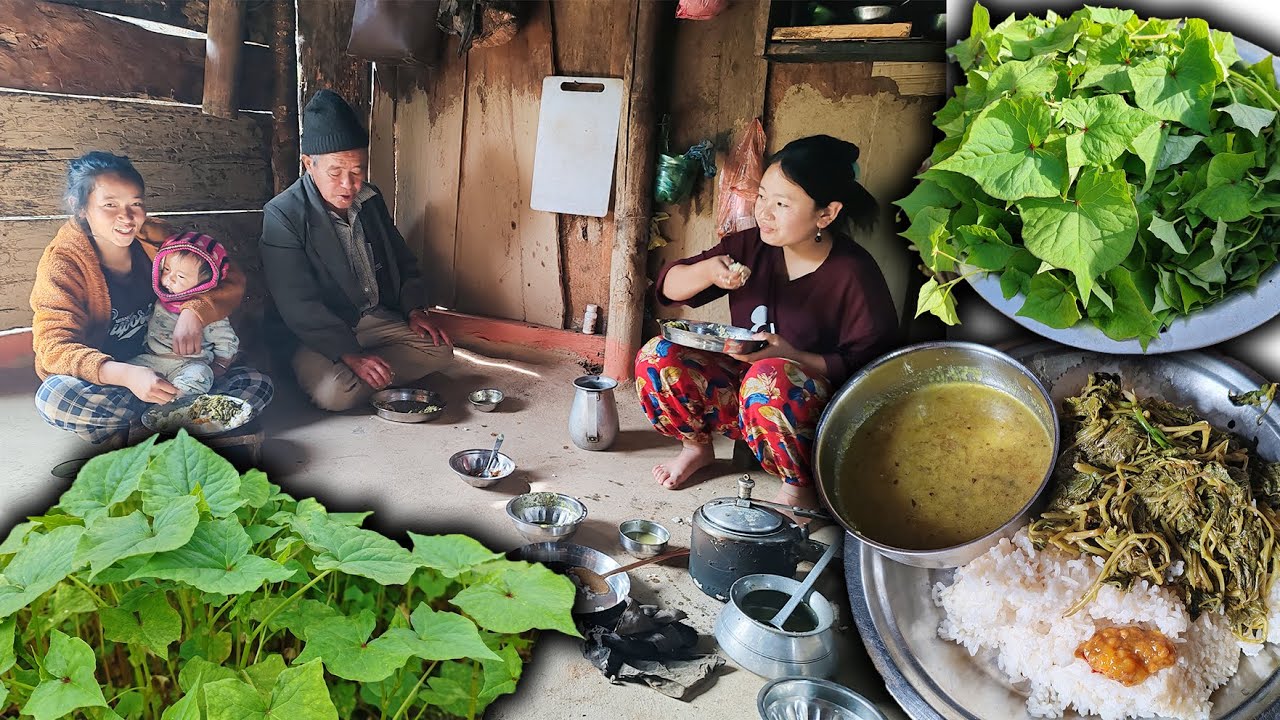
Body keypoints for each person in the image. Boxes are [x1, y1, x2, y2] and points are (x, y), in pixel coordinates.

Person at [635, 134, 899, 510]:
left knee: (770, 376)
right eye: (761, 197)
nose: (764, 212)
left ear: (826, 214)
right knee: (658, 355)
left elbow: (875, 369)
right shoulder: (750, 246)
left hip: (811, 415)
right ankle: (696, 447)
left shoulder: (853, 273)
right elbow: (668, 288)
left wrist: (795, 357)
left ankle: (798, 488)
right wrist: (709, 271)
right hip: (747, 399)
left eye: (781, 203)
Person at [31, 152, 274, 446]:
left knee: (258, 385)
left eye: (136, 203)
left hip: (183, 369)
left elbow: (226, 271)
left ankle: (147, 423)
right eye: (110, 205)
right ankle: (182, 417)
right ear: (79, 207)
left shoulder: (157, 238)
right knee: (55, 397)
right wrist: (126, 375)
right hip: (117, 380)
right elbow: (53, 347)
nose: (128, 217)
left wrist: (194, 311)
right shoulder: (63, 263)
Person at [260, 89, 453, 412]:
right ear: (309, 164)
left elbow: (402, 260)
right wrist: (350, 355)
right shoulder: (283, 214)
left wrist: (415, 310)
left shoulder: (370, 199)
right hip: (319, 333)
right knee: (335, 394)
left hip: (374, 321)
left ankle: (370, 374)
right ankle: (349, 372)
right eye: (335, 172)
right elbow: (298, 304)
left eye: (357, 171)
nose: (348, 185)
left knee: (442, 351)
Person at [131, 232, 241, 398]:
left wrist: (220, 365)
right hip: (152, 359)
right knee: (129, 372)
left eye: (181, 276)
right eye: (166, 269)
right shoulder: (160, 300)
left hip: (190, 365)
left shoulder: (208, 312)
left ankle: (173, 410)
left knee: (199, 377)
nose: (169, 279)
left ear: (204, 283)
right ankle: (149, 409)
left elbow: (226, 340)